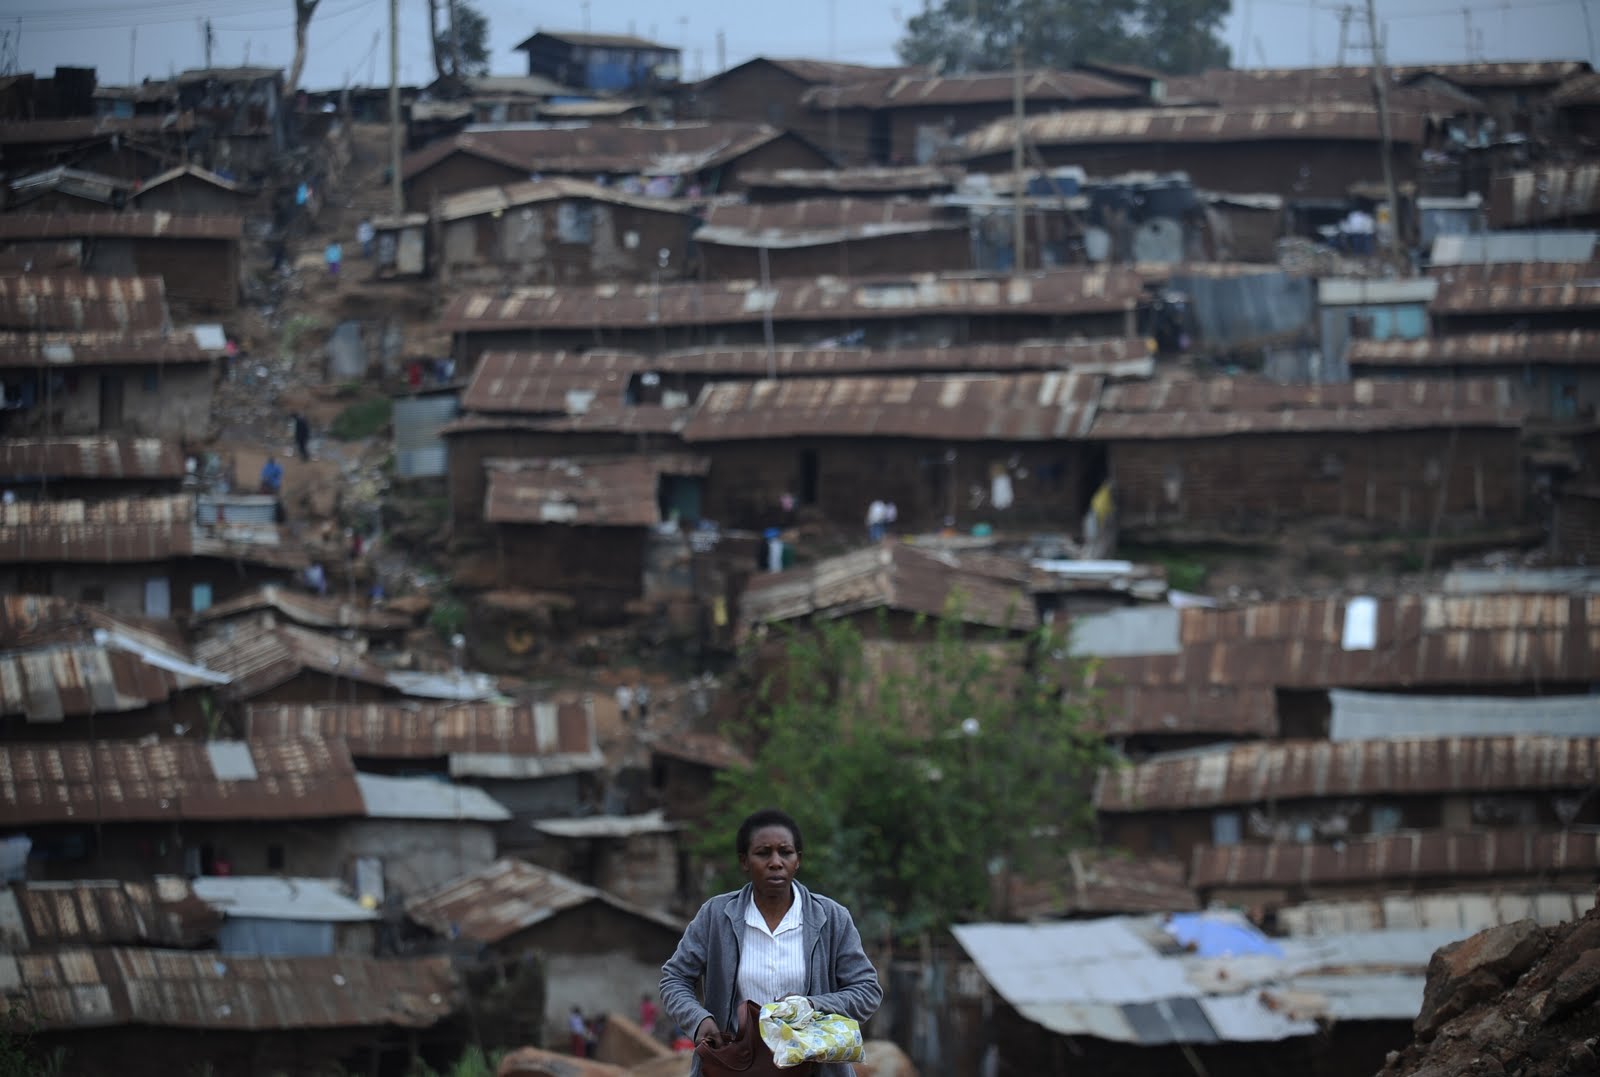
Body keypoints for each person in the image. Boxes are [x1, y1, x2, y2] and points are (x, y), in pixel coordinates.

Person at [660, 809, 881, 1076]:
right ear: (744, 861)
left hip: (812, 1069)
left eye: (785, 852)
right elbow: (674, 978)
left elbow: (867, 991)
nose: (775, 862)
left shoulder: (831, 918)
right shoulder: (717, 916)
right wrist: (699, 1020)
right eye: (763, 853)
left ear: (798, 860)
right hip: (734, 1066)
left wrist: (810, 1005)